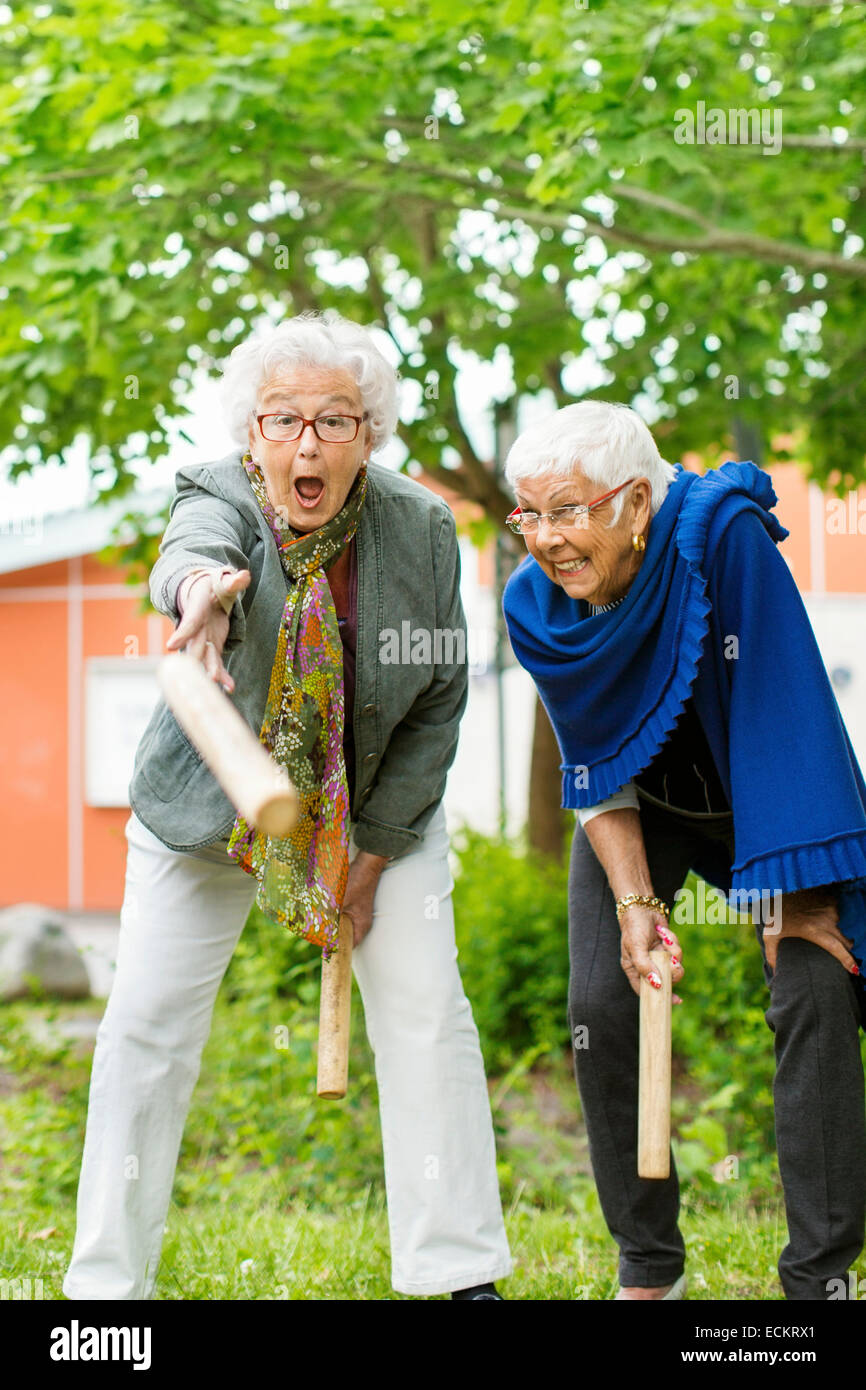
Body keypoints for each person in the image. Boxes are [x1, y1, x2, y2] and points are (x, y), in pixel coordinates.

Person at [63, 310, 511, 1302]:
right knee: (144, 1023)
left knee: (428, 1012)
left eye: (334, 420)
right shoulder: (216, 493)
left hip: (376, 799)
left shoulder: (420, 525)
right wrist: (200, 597)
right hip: (212, 804)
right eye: (282, 420)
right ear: (251, 433)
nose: (305, 443)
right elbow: (187, 554)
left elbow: (438, 692)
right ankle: (104, 1288)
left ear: (368, 434)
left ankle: (458, 1271)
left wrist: (374, 852)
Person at [501, 400, 866, 1302]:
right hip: (644, 803)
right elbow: (591, 759)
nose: (545, 539)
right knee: (601, 994)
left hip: (768, 792)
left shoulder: (720, 535)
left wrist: (800, 902)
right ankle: (649, 1266)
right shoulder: (537, 605)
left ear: (634, 502)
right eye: (529, 515)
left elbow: (780, 700)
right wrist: (635, 905)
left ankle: (819, 1279)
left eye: (568, 510)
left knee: (815, 983)